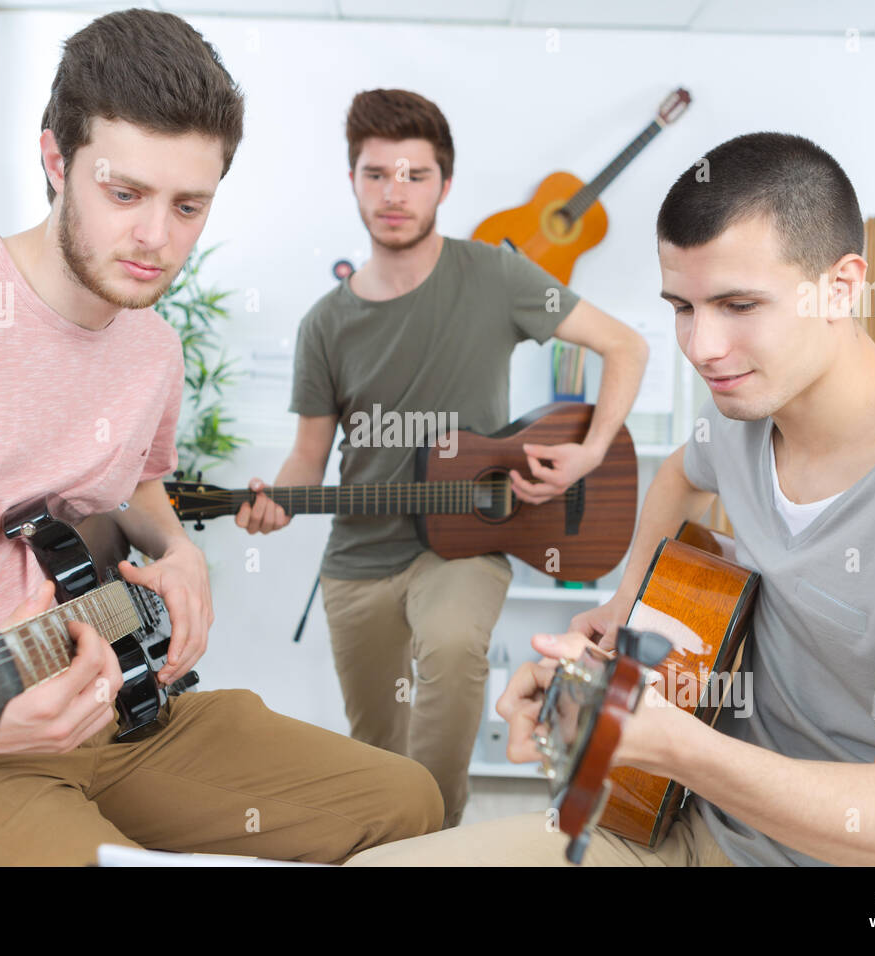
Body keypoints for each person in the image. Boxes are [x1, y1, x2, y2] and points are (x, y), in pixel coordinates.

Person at [0, 9, 441, 866]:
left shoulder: (150, 344)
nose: (157, 238)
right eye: (125, 194)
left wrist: (178, 552)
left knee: (406, 803)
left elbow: (131, 485)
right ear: (54, 160)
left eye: (189, 205)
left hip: (112, 714)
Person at [345, 131, 875, 866]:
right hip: (700, 825)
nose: (702, 346)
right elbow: (680, 474)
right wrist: (626, 614)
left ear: (842, 286)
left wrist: (677, 745)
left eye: (738, 304)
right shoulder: (750, 410)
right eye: (682, 306)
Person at [235, 88, 651, 829]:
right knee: (377, 751)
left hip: (467, 544)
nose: (394, 193)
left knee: (455, 650)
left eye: (414, 175)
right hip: (359, 560)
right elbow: (308, 456)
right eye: (376, 174)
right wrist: (275, 499)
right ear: (353, 180)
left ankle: (435, 844)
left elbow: (627, 344)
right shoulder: (324, 325)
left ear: (444, 186)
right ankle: (392, 841)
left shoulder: (496, 275)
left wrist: (589, 453)